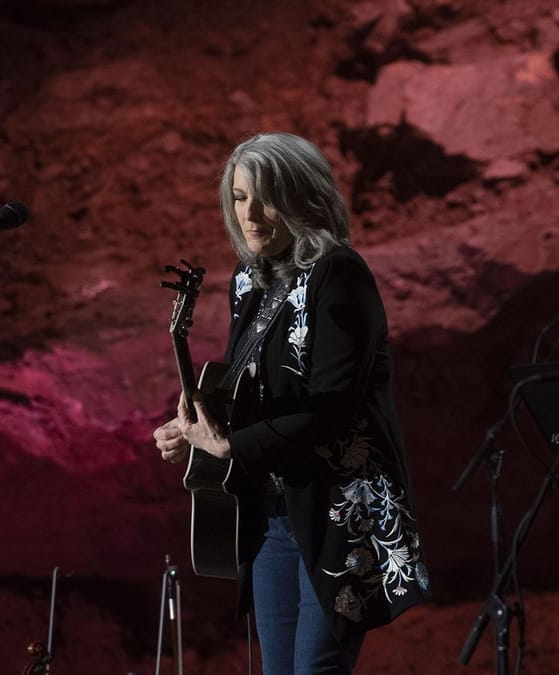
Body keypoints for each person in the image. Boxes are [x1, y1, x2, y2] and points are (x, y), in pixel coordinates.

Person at [153, 132, 429, 673]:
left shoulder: (338, 273)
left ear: (304, 198)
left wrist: (230, 447)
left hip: (337, 516)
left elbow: (332, 407)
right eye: (239, 197)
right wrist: (192, 428)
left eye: (266, 198)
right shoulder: (248, 280)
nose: (249, 214)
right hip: (272, 518)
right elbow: (250, 392)